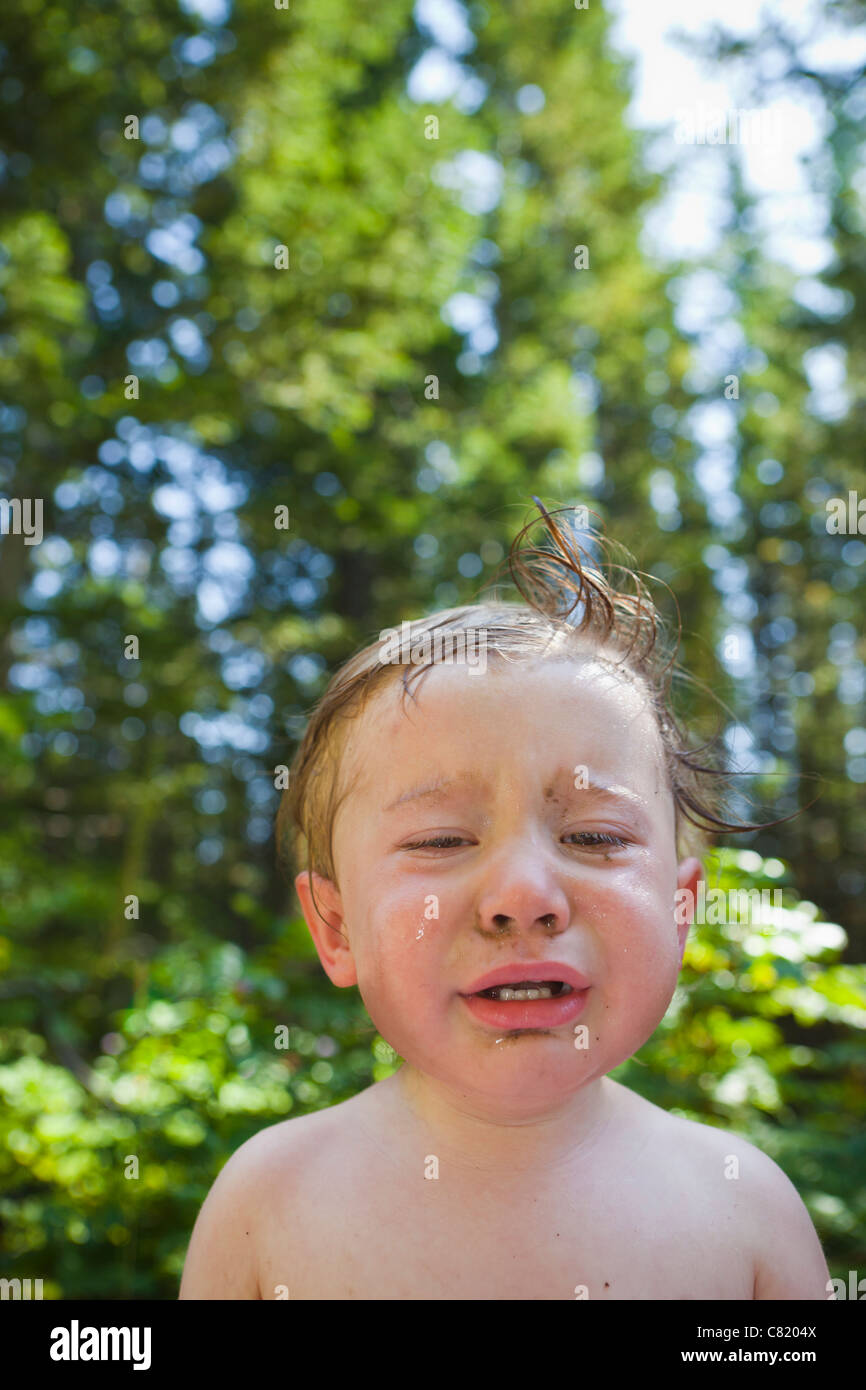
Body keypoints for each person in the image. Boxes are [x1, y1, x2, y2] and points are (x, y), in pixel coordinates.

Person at [180, 502, 830, 1300]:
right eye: (442, 841)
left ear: (679, 910)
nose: (524, 896)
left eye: (594, 838)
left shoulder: (746, 1211)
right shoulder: (268, 1205)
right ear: (337, 927)